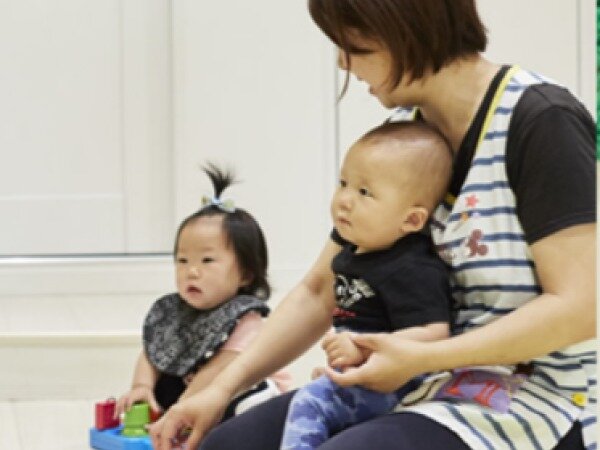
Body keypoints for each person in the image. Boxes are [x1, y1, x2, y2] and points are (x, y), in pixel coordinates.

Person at [149, 1, 596, 449]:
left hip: (529, 400)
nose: (343, 63)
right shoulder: (403, 136)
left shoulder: (542, 120)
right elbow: (319, 290)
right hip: (411, 382)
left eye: (353, 47)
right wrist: (222, 389)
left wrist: (422, 357)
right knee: (227, 444)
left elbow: (579, 308)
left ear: (407, 29)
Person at [280, 120, 455, 450]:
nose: (344, 200)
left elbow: (434, 333)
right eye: (343, 183)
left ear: (412, 220)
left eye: (364, 193)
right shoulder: (352, 251)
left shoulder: (410, 267)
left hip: (405, 384)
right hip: (363, 373)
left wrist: (362, 350)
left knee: (309, 404)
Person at [115, 163, 291, 421]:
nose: (192, 271)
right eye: (182, 260)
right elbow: (154, 353)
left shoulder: (246, 320)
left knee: (250, 397)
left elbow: (218, 370)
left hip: (241, 391)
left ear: (245, 274)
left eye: (207, 261)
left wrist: (181, 411)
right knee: (164, 379)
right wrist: (142, 386)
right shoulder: (175, 312)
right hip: (196, 392)